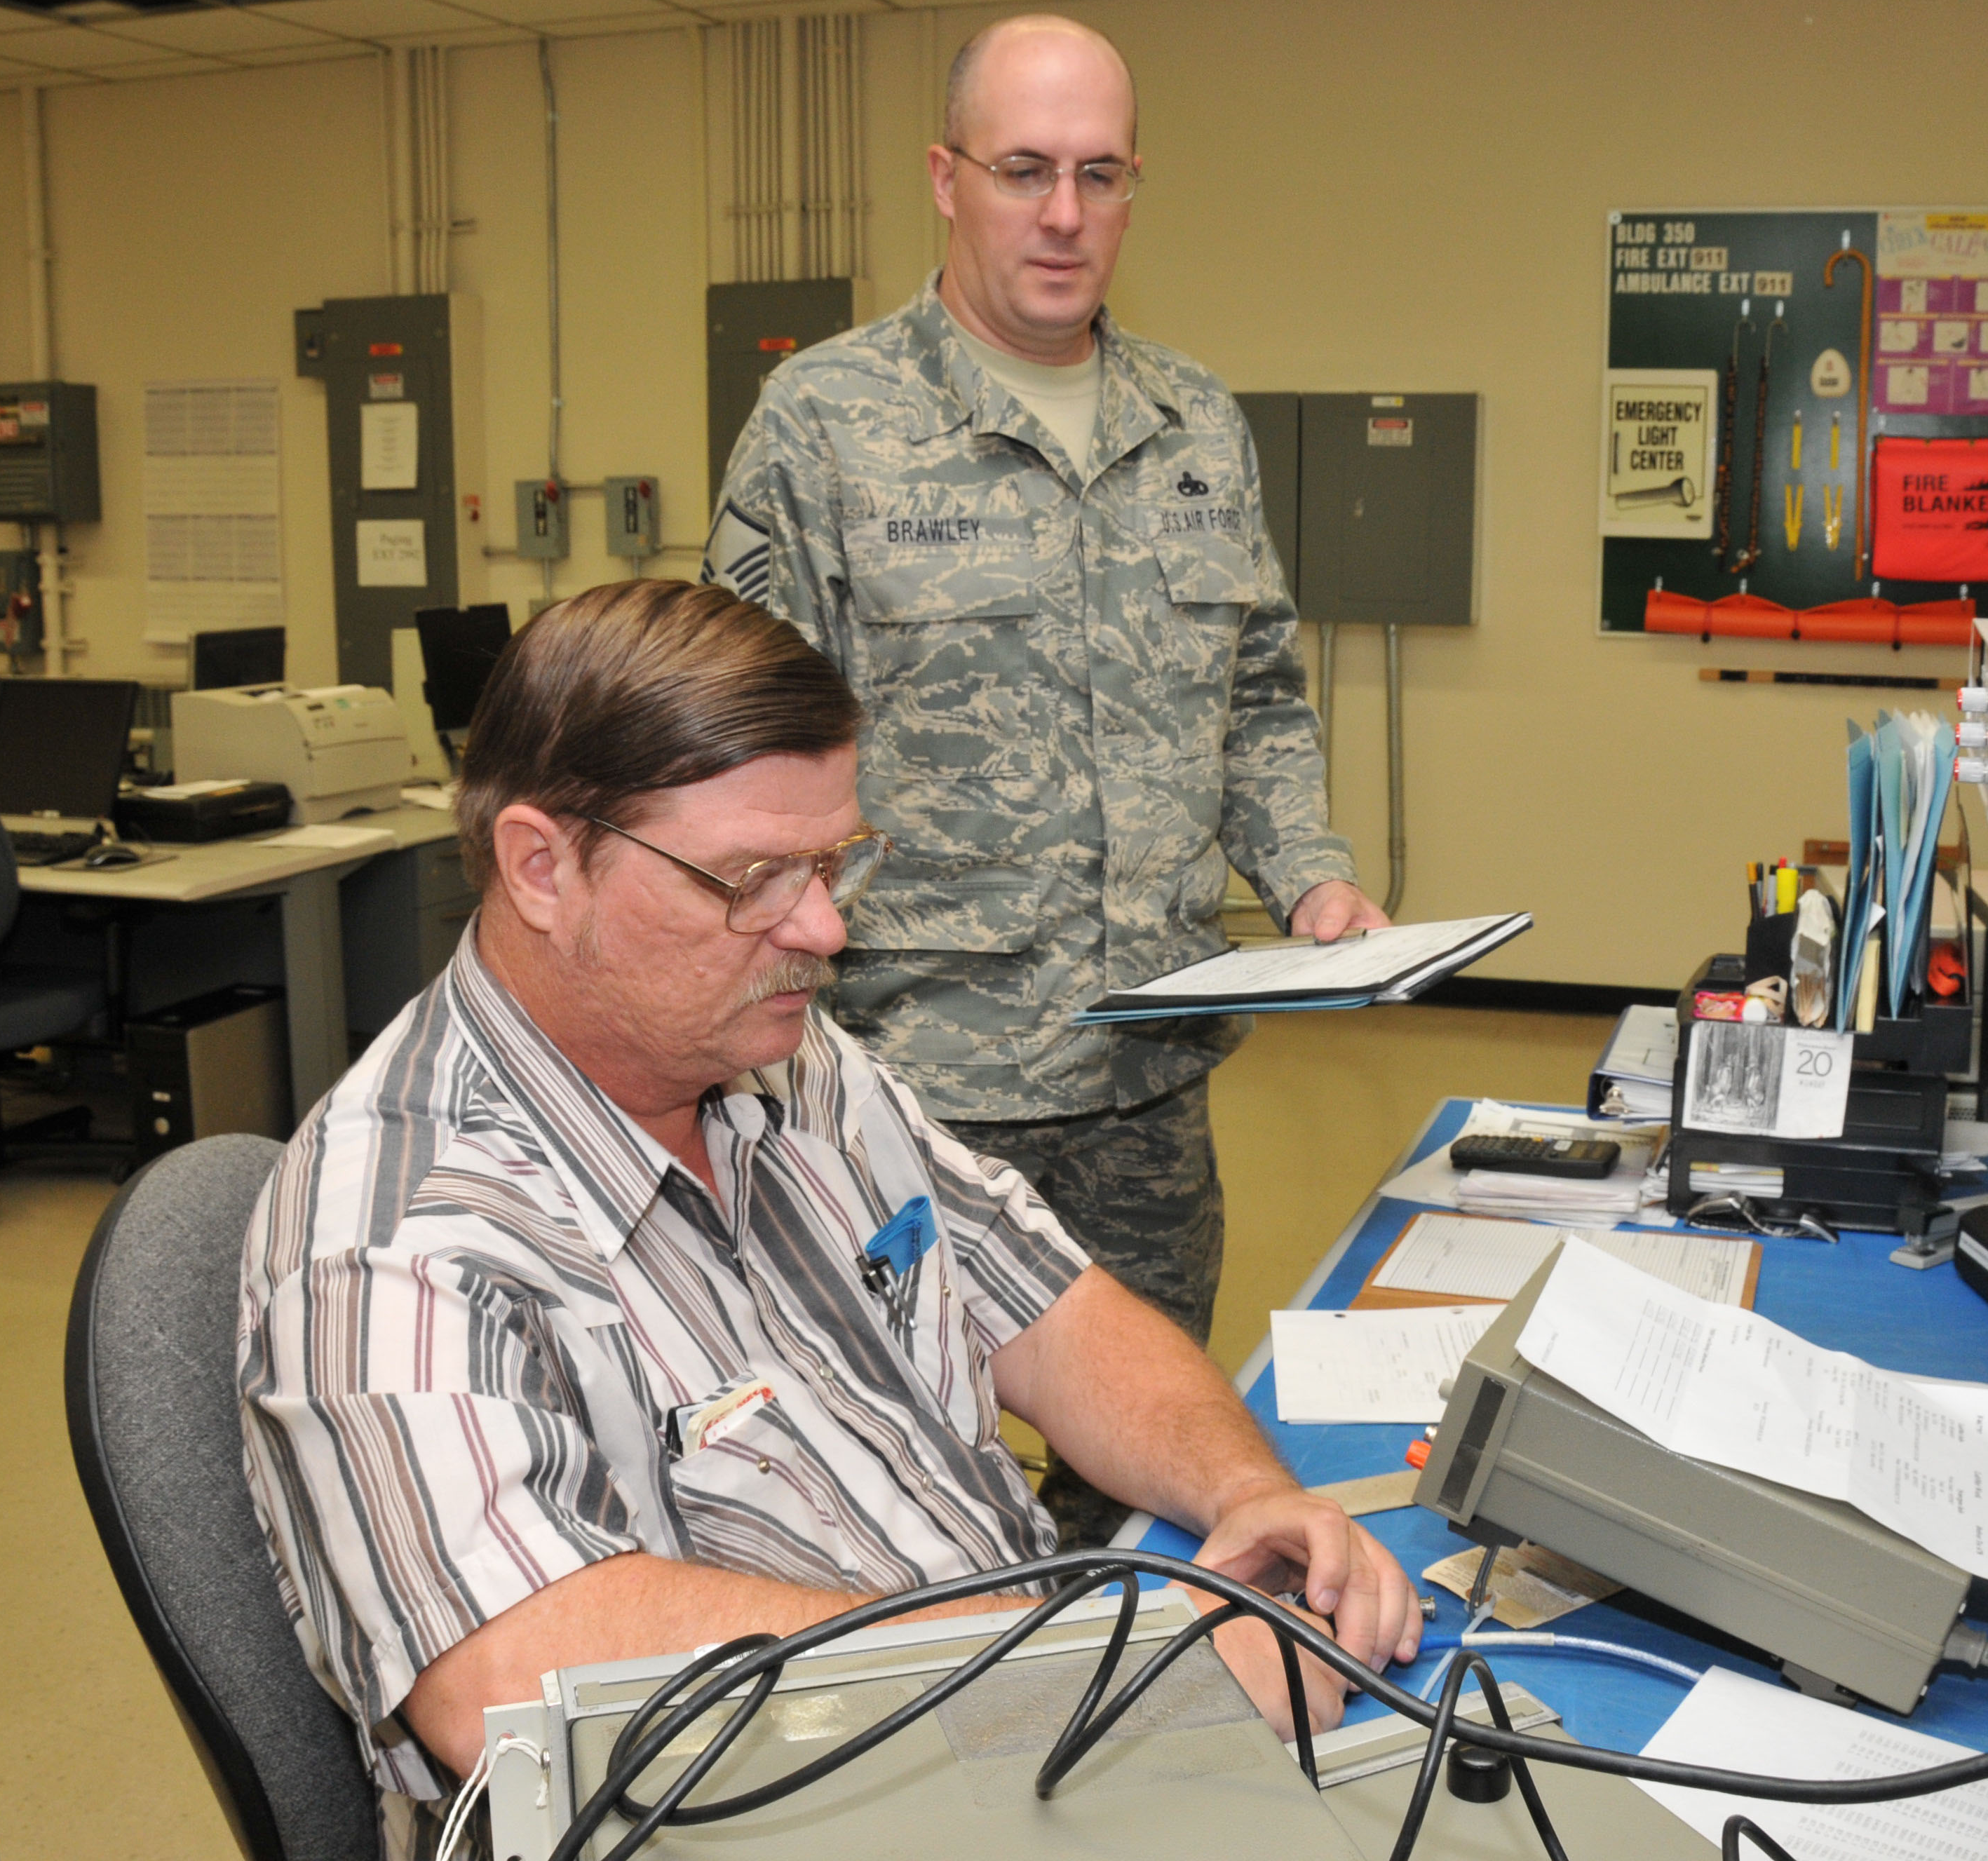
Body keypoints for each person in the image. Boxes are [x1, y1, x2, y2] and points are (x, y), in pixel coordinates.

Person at [236, 581, 1419, 1850]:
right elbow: (511, 1681)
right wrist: (1099, 1684)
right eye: (754, 878)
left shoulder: (784, 1054)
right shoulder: (395, 1240)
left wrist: (1241, 1492)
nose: (825, 928)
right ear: (541, 865)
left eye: (834, 861)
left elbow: (1049, 1309)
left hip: (1001, 1727)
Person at [704, 17, 1384, 1534]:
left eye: (1096, 174)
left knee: (1137, 1487)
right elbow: (735, 762)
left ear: (1135, 186)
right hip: (905, 1086)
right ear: (945, 179)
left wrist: (1312, 872)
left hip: (1149, 1082)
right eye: (1022, 171)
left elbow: (1260, 695)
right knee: (899, 1501)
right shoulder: (823, 423)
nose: (1062, 213)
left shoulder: (1196, 421)